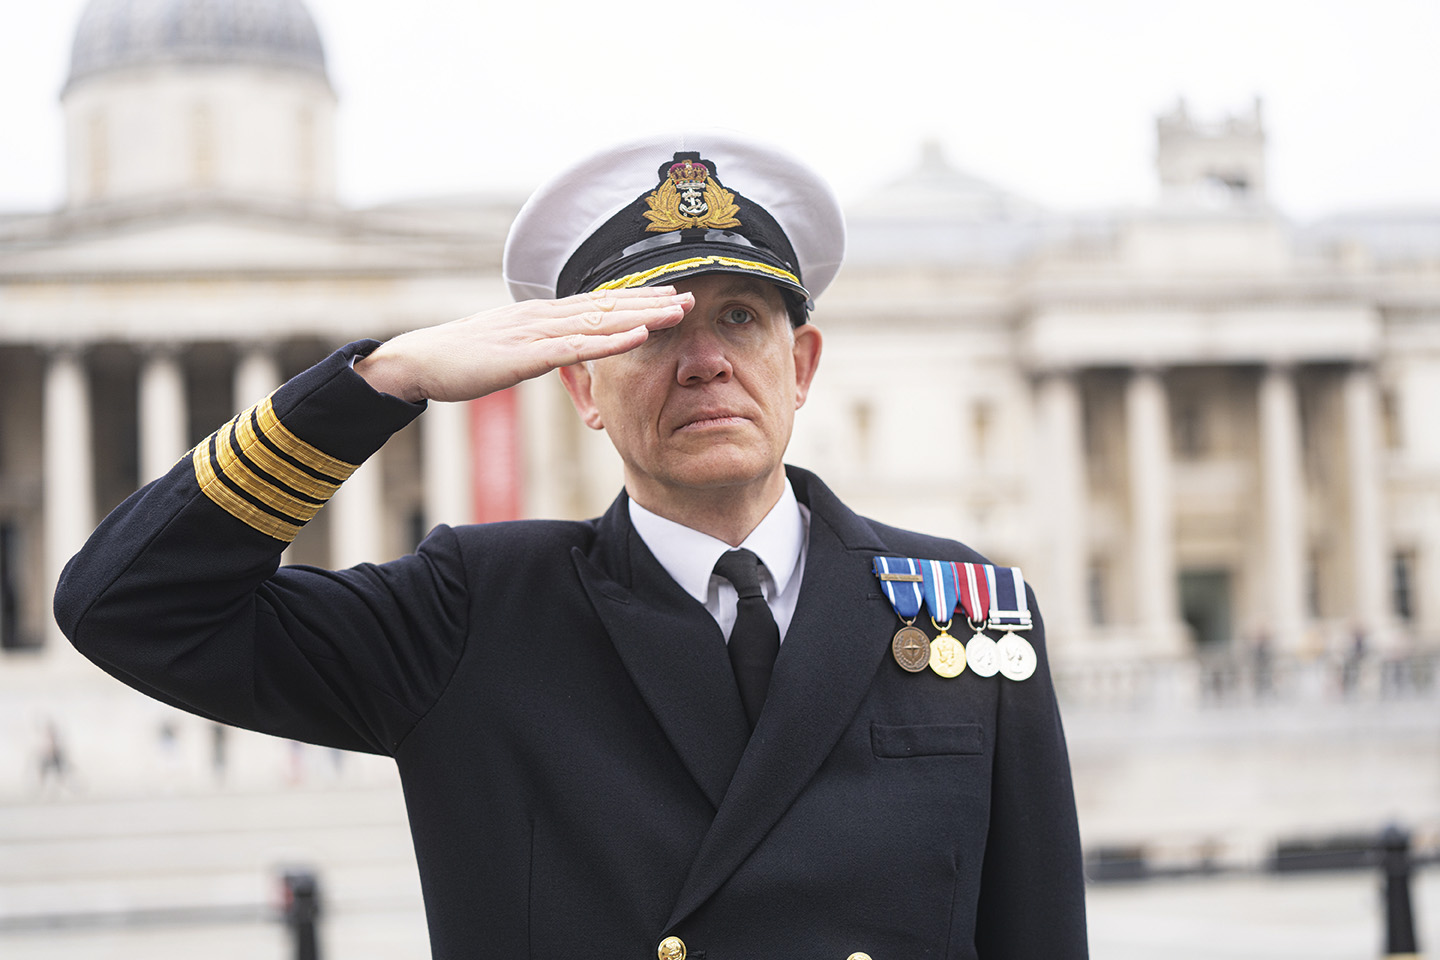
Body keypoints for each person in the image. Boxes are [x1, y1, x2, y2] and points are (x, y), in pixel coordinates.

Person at [55, 132, 1087, 958]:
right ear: (581, 383)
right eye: (649, 331)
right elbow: (128, 605)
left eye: (740, 317)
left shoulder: (960, 607)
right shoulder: (474, 614)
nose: (706, 364)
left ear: (803, 363)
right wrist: (375, 388)